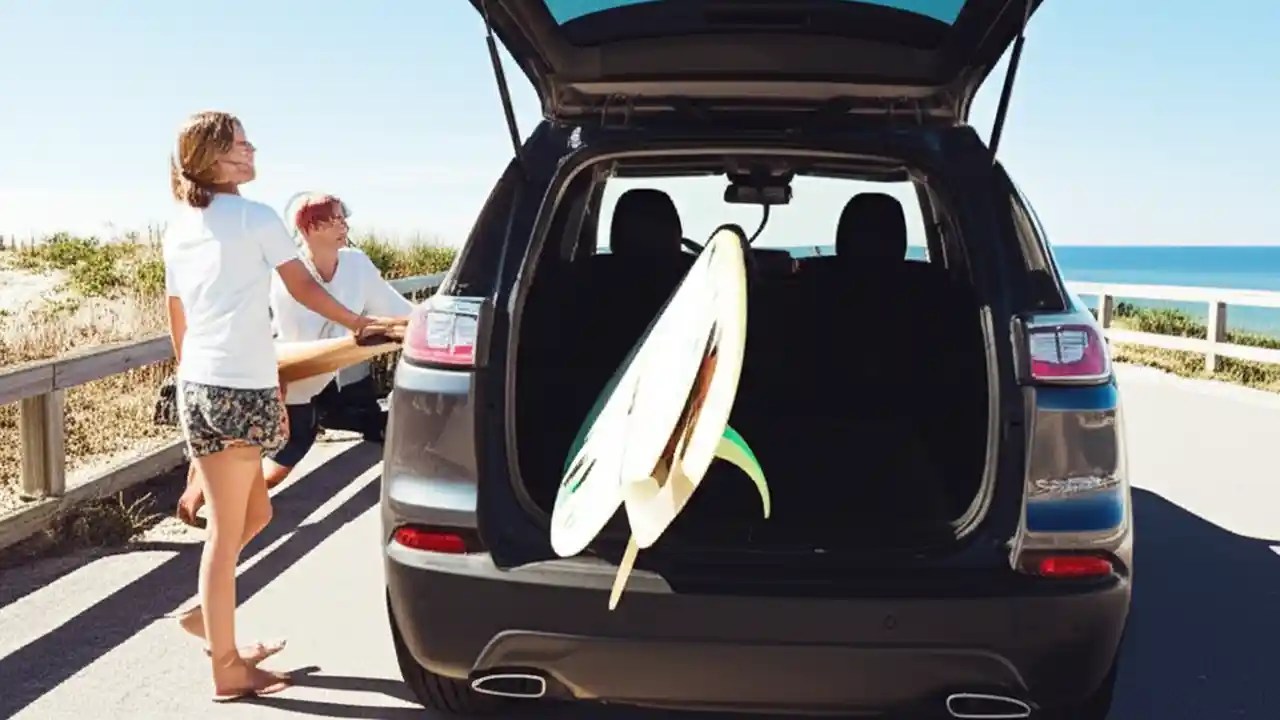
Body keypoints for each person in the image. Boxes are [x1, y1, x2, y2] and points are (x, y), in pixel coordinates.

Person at [162, 110, 395, 702]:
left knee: (255, 516)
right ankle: (227, 667)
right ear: (213, 157)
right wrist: (359, 324)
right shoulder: (257, 218)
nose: (251, 150)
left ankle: (207, 621)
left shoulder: (179, 225)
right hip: (238, 386)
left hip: (203, 385)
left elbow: (178, 318)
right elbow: (302, 288)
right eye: (240, 144)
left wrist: (195, 386)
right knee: (223, 533)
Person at [174, 192, 412, 520]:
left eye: (343, 217)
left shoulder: (357, 265)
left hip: (312, 383)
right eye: (335, 218)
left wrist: (432, 322)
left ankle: (212, 494)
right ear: (310, 227)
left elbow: (396, 309)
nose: (344, 224)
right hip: (267, 378)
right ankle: (200, 500)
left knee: (283, 461)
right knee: (244, 453)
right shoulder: (283, 276)